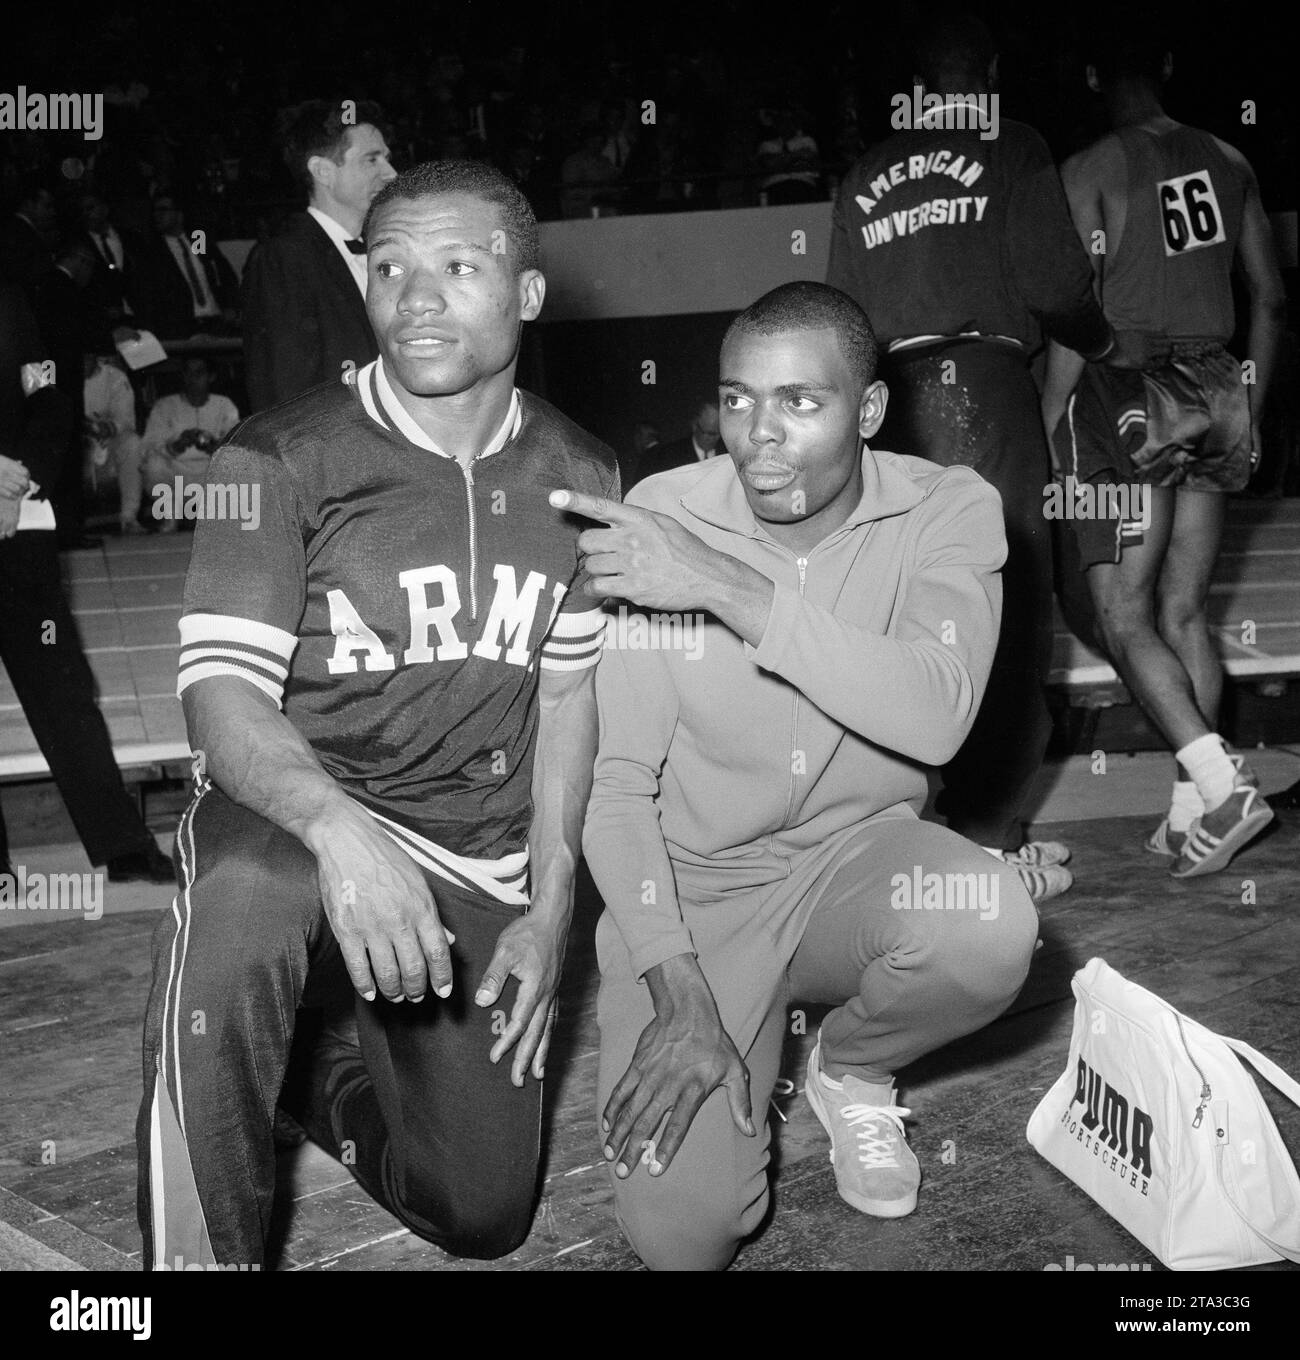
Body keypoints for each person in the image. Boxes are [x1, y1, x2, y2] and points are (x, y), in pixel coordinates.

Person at [135, 160, 619, 1270]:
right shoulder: (278, 453)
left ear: (528, 295)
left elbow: (569, 696)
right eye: (389, 264)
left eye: (459, 266)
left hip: (473, 849)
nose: (414, 295)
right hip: (305, 812)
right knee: (246, 898)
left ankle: (316, 1066)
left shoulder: (581, 469)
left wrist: (553, 913)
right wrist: (343, 835)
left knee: (482, 1212)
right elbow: (219, 697)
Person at [569, 281, 1037, 1271]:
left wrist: (731, 591)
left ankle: (853, 1068)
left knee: (986, 921)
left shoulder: (945, 509)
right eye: (736, 399)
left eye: (798, 402)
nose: (757, 435)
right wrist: (679, 987)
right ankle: (728, 1022)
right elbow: (616, 792)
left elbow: (937, 710)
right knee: (681, 1243)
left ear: (866, 411)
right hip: (696, 896)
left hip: (853, 867)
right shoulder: (664, 516)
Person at [827, 13, 1115, 902]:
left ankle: (930, 839)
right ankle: (988, 845)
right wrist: (1100, 340)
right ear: (987, 74)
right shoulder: (1012, 144)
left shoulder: (863, 174)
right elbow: (1057, 281)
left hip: (891, 402)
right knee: (1010, 607)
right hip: (983, 387)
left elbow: (837, 317)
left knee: (904, 620)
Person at [1041, 27, 1285, 877]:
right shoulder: (1229, 157)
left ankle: (1223, 786)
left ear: (1094, 75)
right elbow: (1274, 301)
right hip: (1219, 385)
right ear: (1170, 66)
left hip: (1128, 396)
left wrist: (1048, 419)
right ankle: (1191, 814)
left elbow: (1079, 318)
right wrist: (1244, 403)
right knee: (1186, 613)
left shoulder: (1091, 170)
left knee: (1123, 613)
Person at [0, 279, 174, 887]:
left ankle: (121, 843)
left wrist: (17, 476)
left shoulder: (13, 298)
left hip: (16, 523)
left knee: (64, 690)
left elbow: (46, 392)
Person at [241, 100, 397, 411]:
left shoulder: (389, 250)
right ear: (323, 171)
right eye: (372, 160)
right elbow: (285, 386)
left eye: (387, 158)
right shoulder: (284, 258)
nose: (391, 173)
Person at [142, 356, 241, 530]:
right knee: (152, 464)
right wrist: (176, 445)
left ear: (210, 377)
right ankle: (170, 516)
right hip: (176, 473)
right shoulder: (165, 405)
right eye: (188, 373)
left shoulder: (224, 405)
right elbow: (149, 445)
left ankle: (219, 520)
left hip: (209, 475)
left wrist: (215, 446)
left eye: (199, 373)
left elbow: (236, 444)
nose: (192, 378)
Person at [133, 194, 239, 340]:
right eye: (155, 211)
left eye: (163, 210)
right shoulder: (154, 252)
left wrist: (231, 306)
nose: (157, 215)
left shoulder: (197, 240)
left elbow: (222, 274)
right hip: (183, 328)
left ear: (179, 214)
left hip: (216, 322)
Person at [82, 353, 145, 534]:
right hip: (75, 451)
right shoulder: (52, 371)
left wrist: (107, 427)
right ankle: (65, 524)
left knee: (132, 443)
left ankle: (129, 518)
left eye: (86, 357)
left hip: (105, 449)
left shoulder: (115, 377)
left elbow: (125, 421)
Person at [630, 399, 721, 485]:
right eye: (710, 433)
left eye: (719, 433)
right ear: (694, 426)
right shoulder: (667, 456)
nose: (715, 438)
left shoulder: (728, 454)